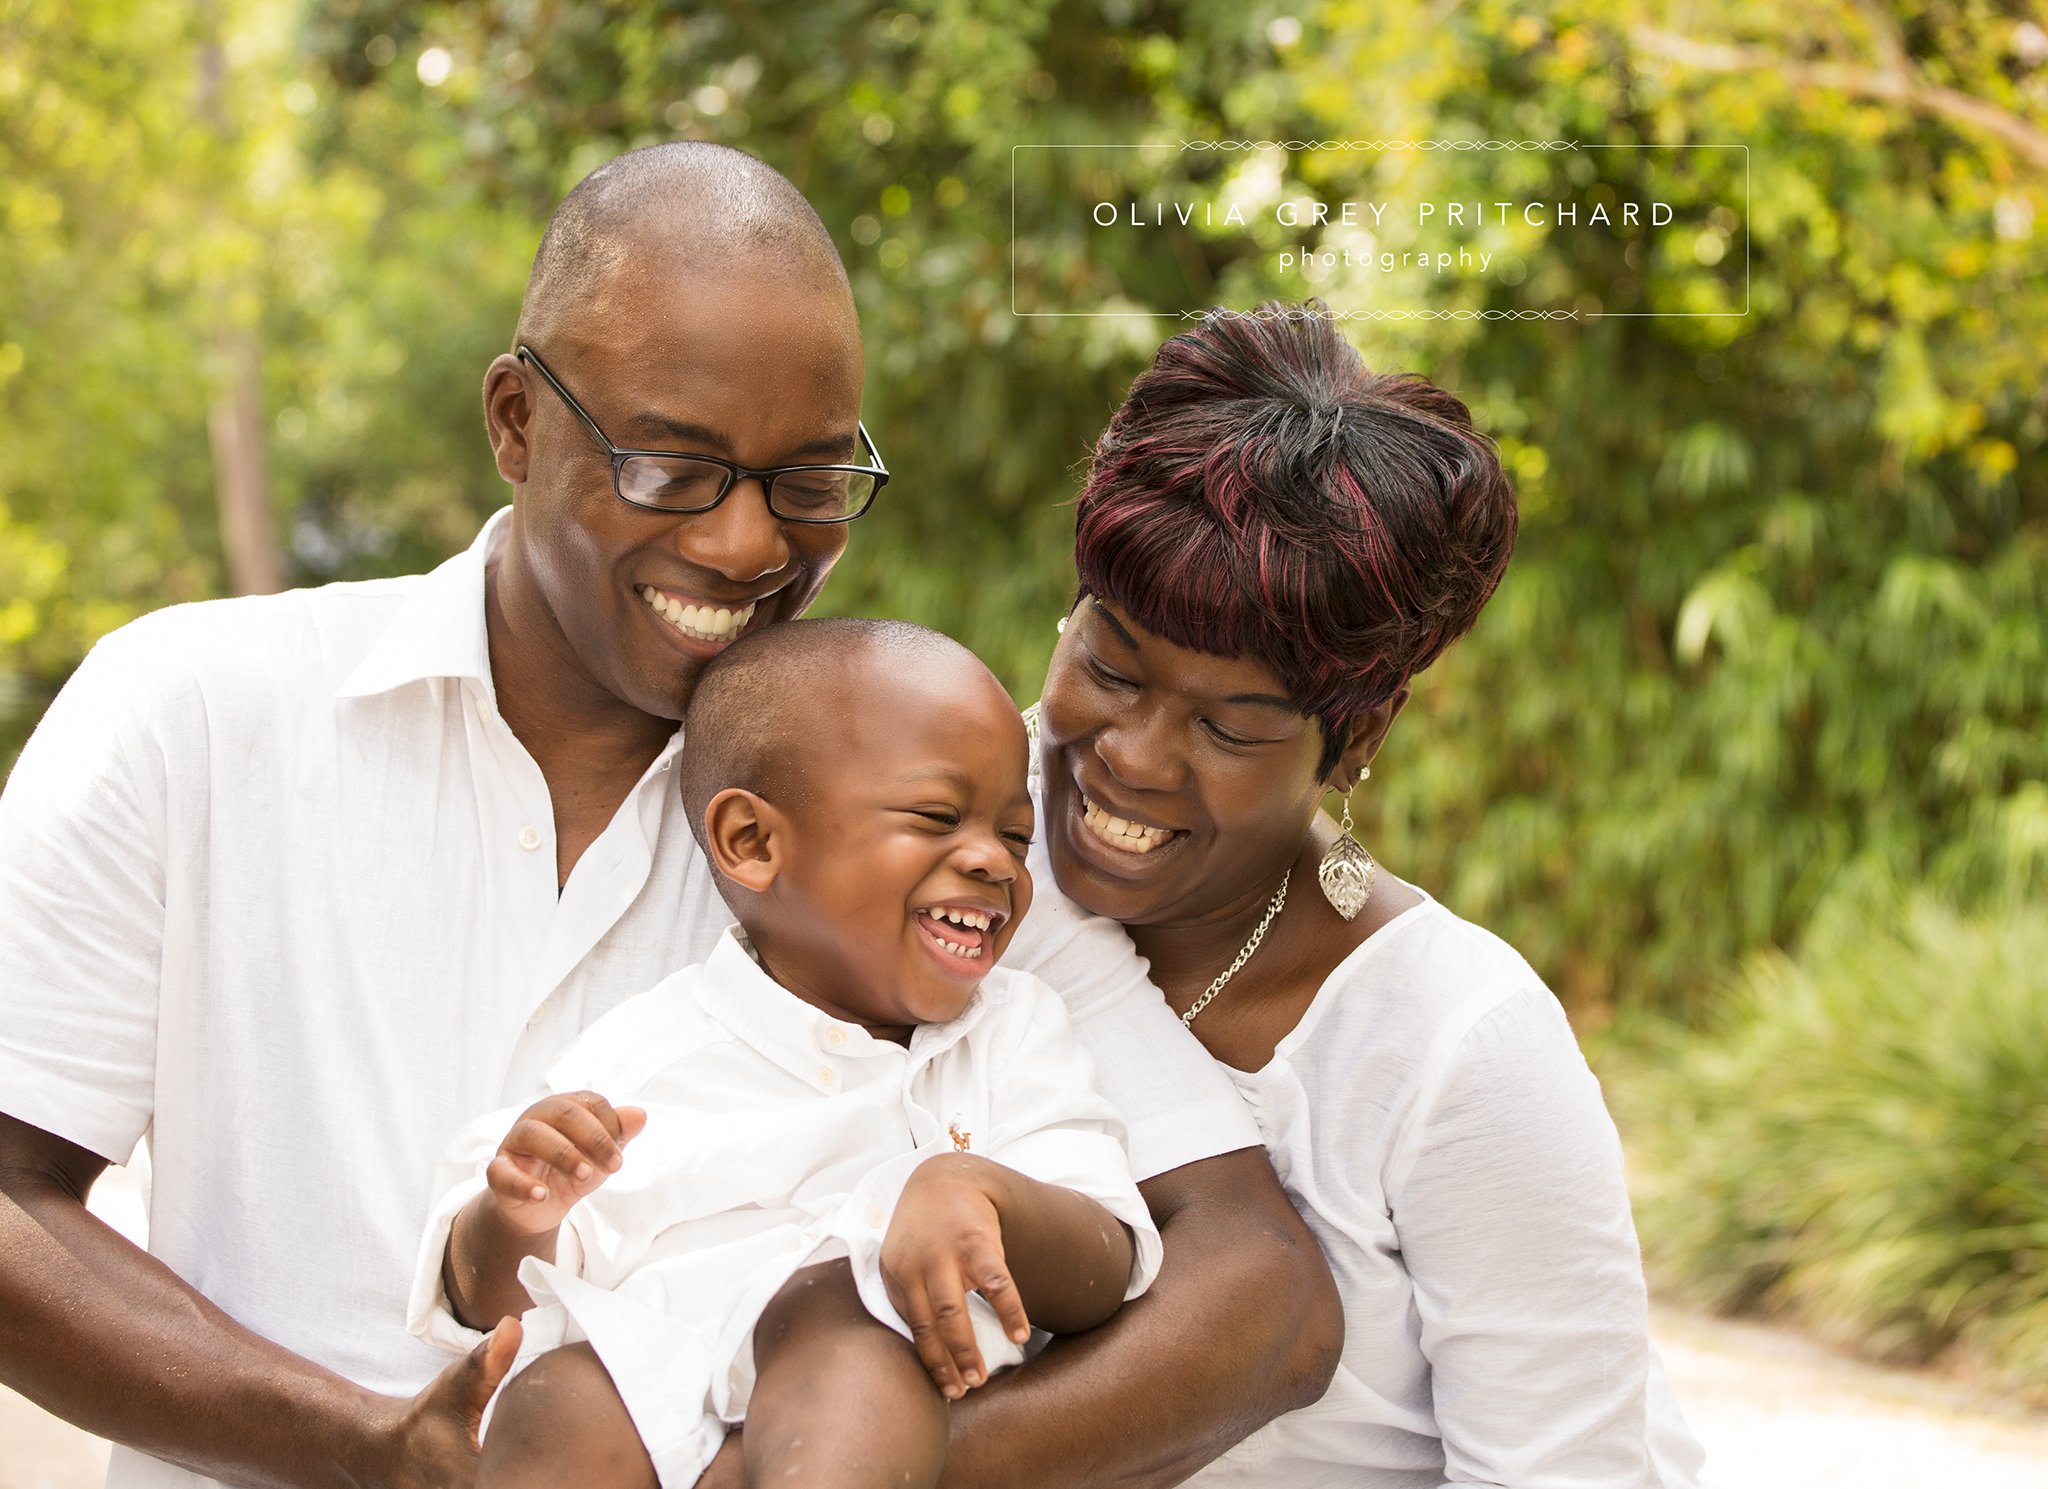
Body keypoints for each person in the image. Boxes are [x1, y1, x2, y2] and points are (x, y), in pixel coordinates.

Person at [0, 145, 1336, 1489]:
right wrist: (368, 1451)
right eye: (671, 466)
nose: (751, 545)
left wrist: (818, 1464)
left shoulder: (939, 838)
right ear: (516, 421)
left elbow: (1263, 1297)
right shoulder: (193, 715)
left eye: (810, 479)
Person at [1028, 304, 1710, 1487]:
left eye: (1229, 724)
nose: (1132, 755)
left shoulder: (1454, 1046)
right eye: (1109, 667)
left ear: (1354, 741)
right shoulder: (926, 853)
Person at [413, 618, 1161, 1489]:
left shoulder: (1010, 1034)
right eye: (936, 816)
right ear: (754, 843)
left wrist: (981, 1192)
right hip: (661, 1402)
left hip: (876, 1401)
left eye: (1015, 836)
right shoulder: (648, 1054)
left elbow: (1106, 1260)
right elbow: (489, 1304)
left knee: (844, 1325)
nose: (994, 862)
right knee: (556, 1395)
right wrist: (516, 1214)